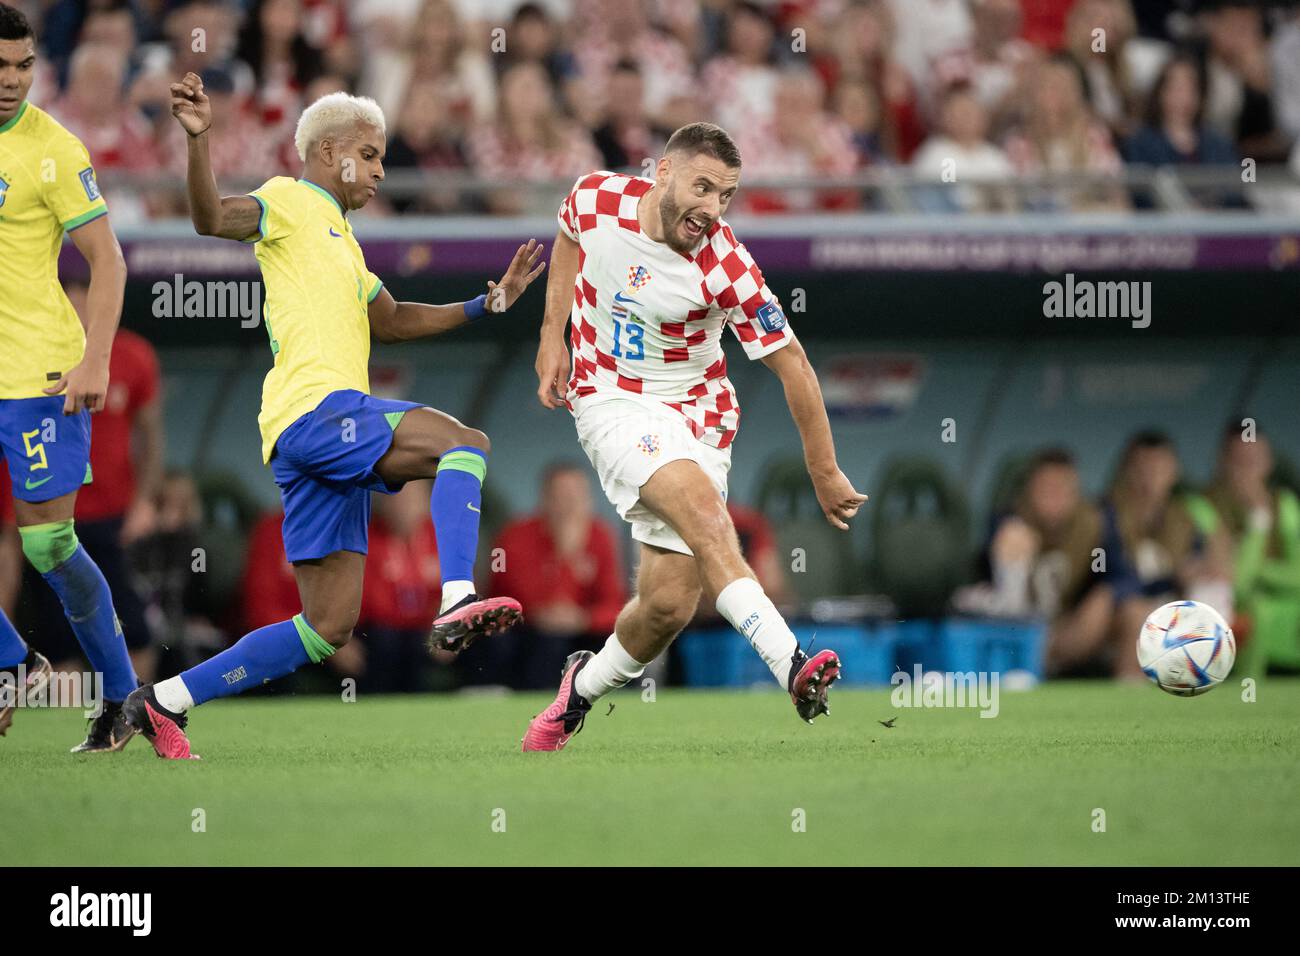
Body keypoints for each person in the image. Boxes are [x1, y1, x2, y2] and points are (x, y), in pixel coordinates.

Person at [120, 74, 545, 759]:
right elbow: (208, 218)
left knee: (326, 625)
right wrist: (200, 141)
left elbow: (395, 320)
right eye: (371, 154)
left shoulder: (344, 240)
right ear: (327, 152)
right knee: (465, 443)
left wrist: (484, 305)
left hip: (307, 438)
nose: (381, 169)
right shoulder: (288, 200)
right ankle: (457, 594)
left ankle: (161, 700)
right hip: (318, 412)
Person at [528, 122, 868, 751]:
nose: (712, 208)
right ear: (661, 173)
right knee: (710, 518)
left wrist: (824, 469)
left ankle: (575, 694)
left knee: (666, 608)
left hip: (698, 415)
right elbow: (570, 236)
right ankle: (790, 662)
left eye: (726, 195)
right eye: (703, 187)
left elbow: (791, 362)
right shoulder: (598, 197)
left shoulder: (728, 266)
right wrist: (554, 336)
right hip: (610, 400)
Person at [0, 4, 139, 751]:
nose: (12, 81)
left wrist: (96, 357)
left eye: (23, 66)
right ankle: (11, 661)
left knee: (48, 546)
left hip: (39, 374)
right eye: (0, 67)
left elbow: (108, 260)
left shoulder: (52, 149)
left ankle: (122, 696)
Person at [28, 279, 163, 686]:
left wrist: (144, 503)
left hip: (113, 522)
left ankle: (140, 713)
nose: (79, 309)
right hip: (53, 518)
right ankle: (76, 729)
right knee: (62, 640)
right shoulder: (37, 356)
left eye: (86, 297)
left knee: (134, 630)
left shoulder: (133, 355)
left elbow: (151, 438)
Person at [481, 462, 627, 689]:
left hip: (583, 629)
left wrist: (583, 619)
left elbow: (614, 603)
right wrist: (565, 555)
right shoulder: (515, 537)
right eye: (561, 496)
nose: (569, 506)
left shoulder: (601, 536)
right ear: (544, 499)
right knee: (548, 644)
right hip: (527, 631)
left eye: (576, 496)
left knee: (620, 644)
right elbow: (516, 599)